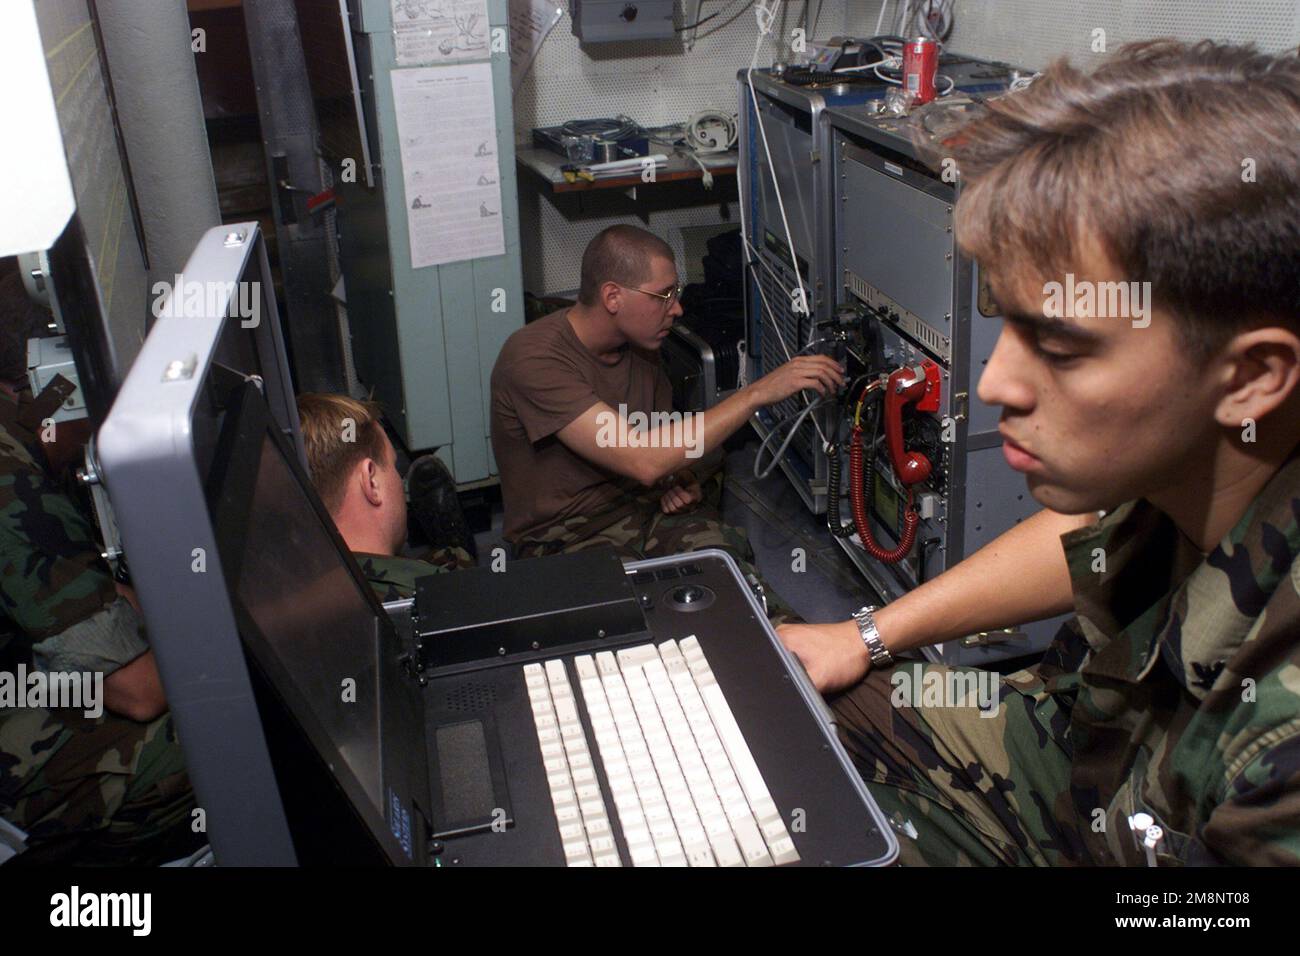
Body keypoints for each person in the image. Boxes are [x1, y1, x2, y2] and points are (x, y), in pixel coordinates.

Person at [778, 40, 1300, 865]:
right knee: (770, 710)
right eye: (1005, 323)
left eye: (1058, 345)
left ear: (1251, 378)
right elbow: (1089, 528)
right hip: (1071, 751)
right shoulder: (1206, 457)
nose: (995, 386)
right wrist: (865, 636)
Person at [490, 224, 844, 619]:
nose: (677, 307)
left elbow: (661, 445)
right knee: (631, 625)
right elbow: (644, 459)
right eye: (663, 295)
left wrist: (680, 479)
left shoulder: (643, 348)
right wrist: (756, 393)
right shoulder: (534, 359)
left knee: (735, 590)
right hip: (567, 537)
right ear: (612, 297)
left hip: (646, 509)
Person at [0, 264, 198, 863]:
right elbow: (141, 691)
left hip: (36, 680)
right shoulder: (9, 483)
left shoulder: (17, 437)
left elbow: (102, 592)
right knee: (254, 719)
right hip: (25, 740)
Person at [296, 392, 475, 602]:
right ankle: (461, 549)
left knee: (446, 555)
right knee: (460, 561)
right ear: (371, 482)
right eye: (393, 466)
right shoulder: (441, 598)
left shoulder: (291, 594)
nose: (400, 480)